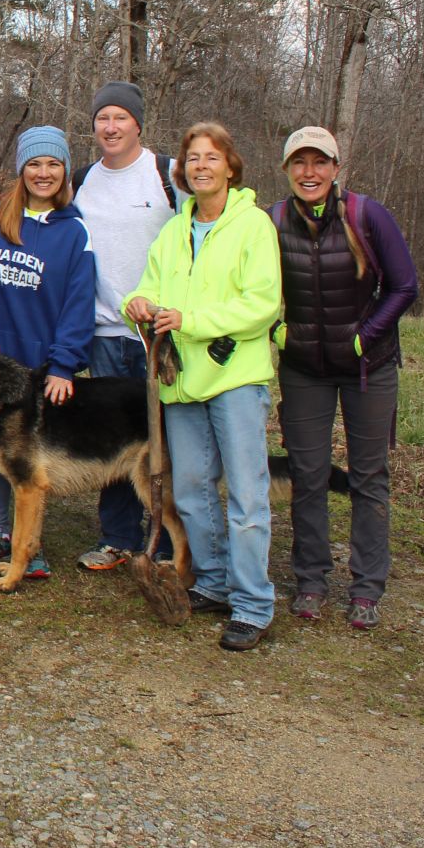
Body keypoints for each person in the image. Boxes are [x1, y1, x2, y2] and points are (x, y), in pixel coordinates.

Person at [124, 122, 282, 652]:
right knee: (190, 490)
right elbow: (149, 287)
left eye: (212, 157)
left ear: (230, 167)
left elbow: (262, 304)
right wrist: (139, 306)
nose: (201, 166)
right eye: (192, 158)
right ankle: (213, 582)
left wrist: (188, 319)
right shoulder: (173, 230)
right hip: (181, 382)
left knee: (245, 495)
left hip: (235, 378)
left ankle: (254, 603)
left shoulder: (253, 225)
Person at [269, 127, 418, 631]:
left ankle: (366, 587)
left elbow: (404, 285)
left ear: (336, 169)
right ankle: (311, 580)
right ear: (287, 169)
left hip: (366, 368)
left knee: (368, 477)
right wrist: (276, 330)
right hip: (304, 367)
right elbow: (249, 285)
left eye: (319, 163)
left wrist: (366, 336)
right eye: (299, 163)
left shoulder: (366, 215)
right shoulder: (270, 220)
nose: (309, 173)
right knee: (308, 476)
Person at [0, 126, 97, 578]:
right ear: (21, 169)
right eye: (35, 163)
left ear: (65, 171)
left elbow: (79, 301)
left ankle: (30, 543)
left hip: (42, 365)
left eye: (53, 164)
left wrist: (65, 364)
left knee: (30, 454)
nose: (44, 172)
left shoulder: (74, 232)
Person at [70, 80, 184, 572]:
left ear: (138, 122)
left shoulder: (168, 175)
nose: (110, 127)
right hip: (103, 331)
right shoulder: (80, 180)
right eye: (102, 118)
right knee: (113, 439)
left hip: (159, 332)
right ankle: (118, 537)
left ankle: (166, 541)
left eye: (120, 117)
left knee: (166, 438)